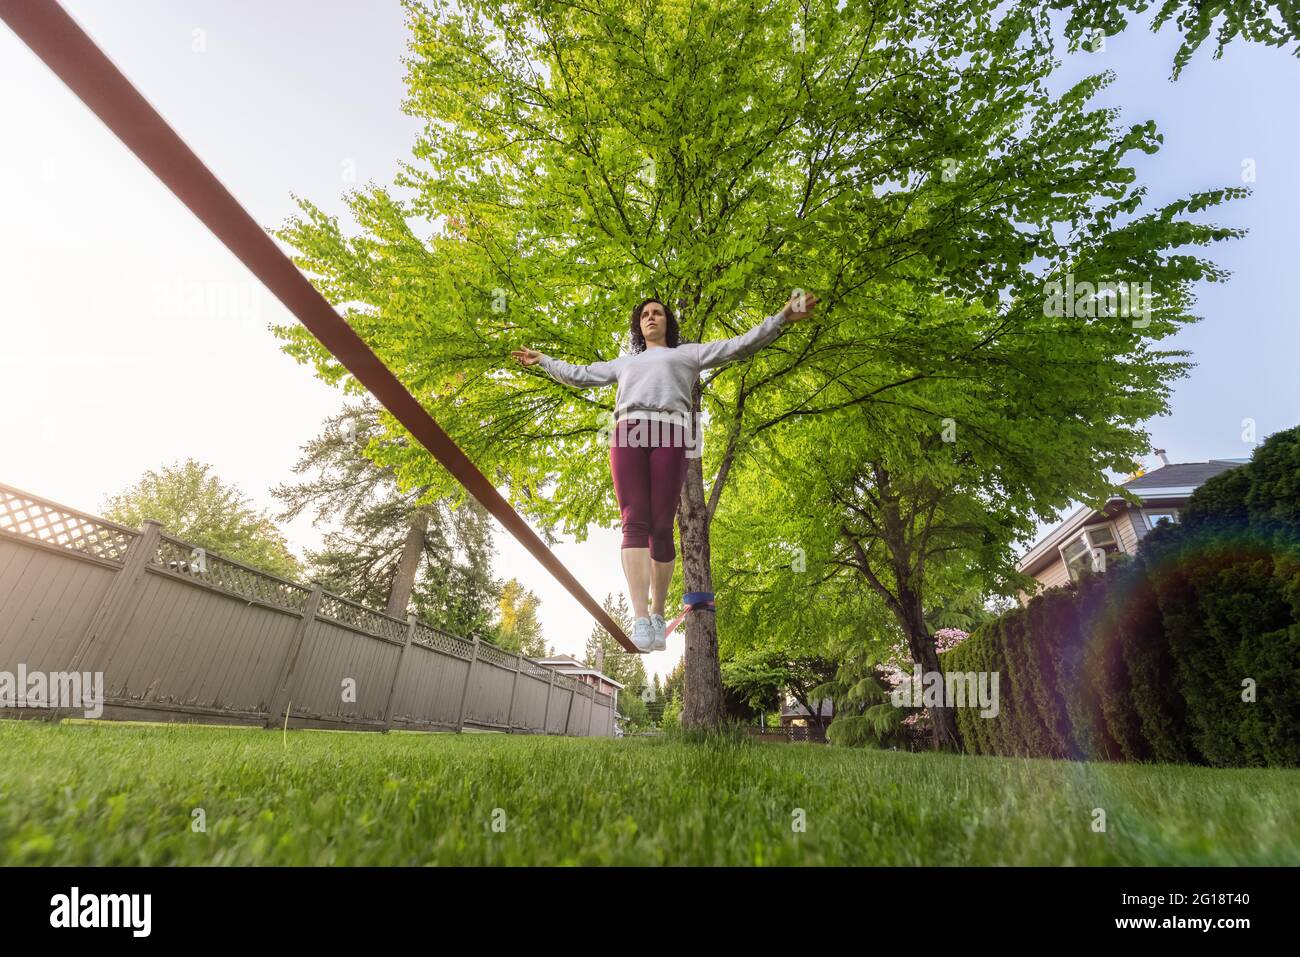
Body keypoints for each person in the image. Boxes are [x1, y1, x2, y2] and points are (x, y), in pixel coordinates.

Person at [511, 293, 820, 652]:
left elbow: (740, 346)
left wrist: (781, 317)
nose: (651, 317)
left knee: (661, 526)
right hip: (628, 431)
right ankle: (640, 617)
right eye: (645, 314)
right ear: (639, 326)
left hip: (671, 432)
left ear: (667, 323)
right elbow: (579, 376)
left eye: (658, 313)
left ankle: (658, 612)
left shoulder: (686, 354)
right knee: (634, 521)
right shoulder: (625, 363)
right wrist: (544, 360)